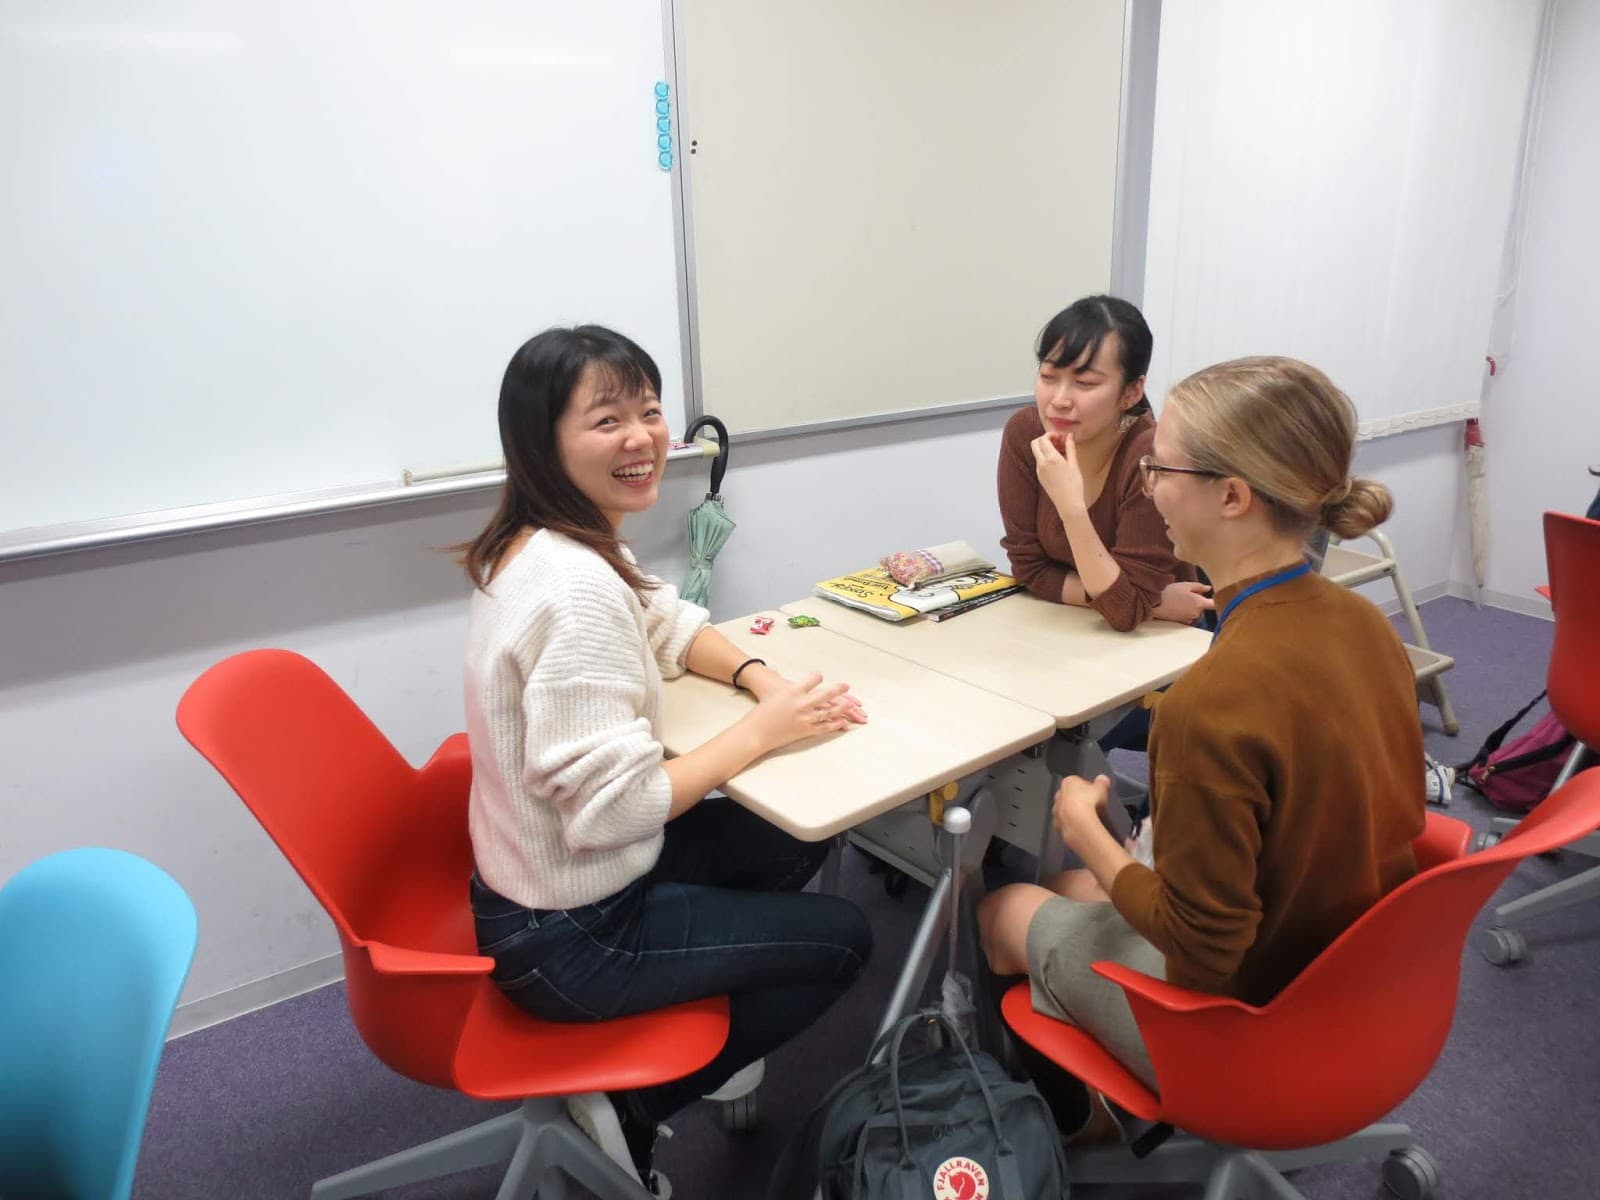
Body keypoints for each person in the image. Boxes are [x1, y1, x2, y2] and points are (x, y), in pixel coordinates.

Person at [459, 324, 873, 1193]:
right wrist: (760, 734)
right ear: (544, 442)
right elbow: (613, 809)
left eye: (649, 412)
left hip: (557, 881)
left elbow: (666, 619)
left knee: (794, 836)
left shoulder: (555, 543)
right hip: (570, 933)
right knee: (845, 940)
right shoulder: (572, 590)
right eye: (606, 420)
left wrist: (761, 679)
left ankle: (699, 1003)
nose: (642, 438)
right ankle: (639, 1105)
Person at [978, 355, 1427, 1140]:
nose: (1148, 483)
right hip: (1349, 970)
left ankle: (1075, 1121)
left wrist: (1088, 826)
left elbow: (1203, 945)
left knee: (1006, 907)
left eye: (1160, 467)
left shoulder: (1208, 705)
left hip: (1241, 1016)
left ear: (1232, 496)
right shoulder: (1362, 623)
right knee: (1071, 883)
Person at [997, 295, 1210, 634]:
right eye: (1049, 376)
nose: (1060, 400)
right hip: (1070, 628)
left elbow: (1126, 611)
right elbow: (1029, 569)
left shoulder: (1153, 456)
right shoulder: (1025, 434)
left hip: (1162, 641)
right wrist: (1152, 603)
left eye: (1085, 384)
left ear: (1131, 392)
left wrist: (1072, 508)